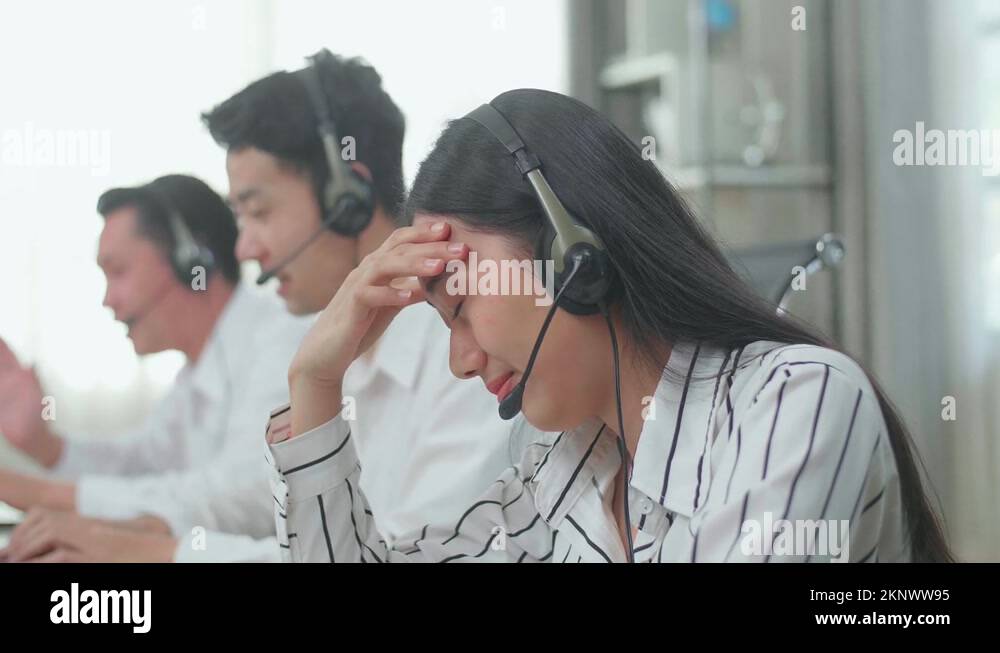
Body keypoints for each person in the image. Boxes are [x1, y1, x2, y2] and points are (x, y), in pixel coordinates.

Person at [264, 89, 953, 562]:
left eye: (462, 304)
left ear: (571, 253)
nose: (461, 361)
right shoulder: (563, 469)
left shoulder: (797, 406)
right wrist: (317, 378)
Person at [4, 52, 513, 563]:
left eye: (259, 211)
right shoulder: (335, 351)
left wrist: (145, 551)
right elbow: (306, 545)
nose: (244, 249)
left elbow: (363, 550)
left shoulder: (465, 359)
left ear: (347, 195)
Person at [0, 175, 310, 550]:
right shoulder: (195, 375)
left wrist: (36, 492)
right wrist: (43, 447)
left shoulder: (283, 342)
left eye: (118, 272)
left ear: (191, 257)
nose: (107, 301)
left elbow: (248, 495)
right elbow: (141, 467)